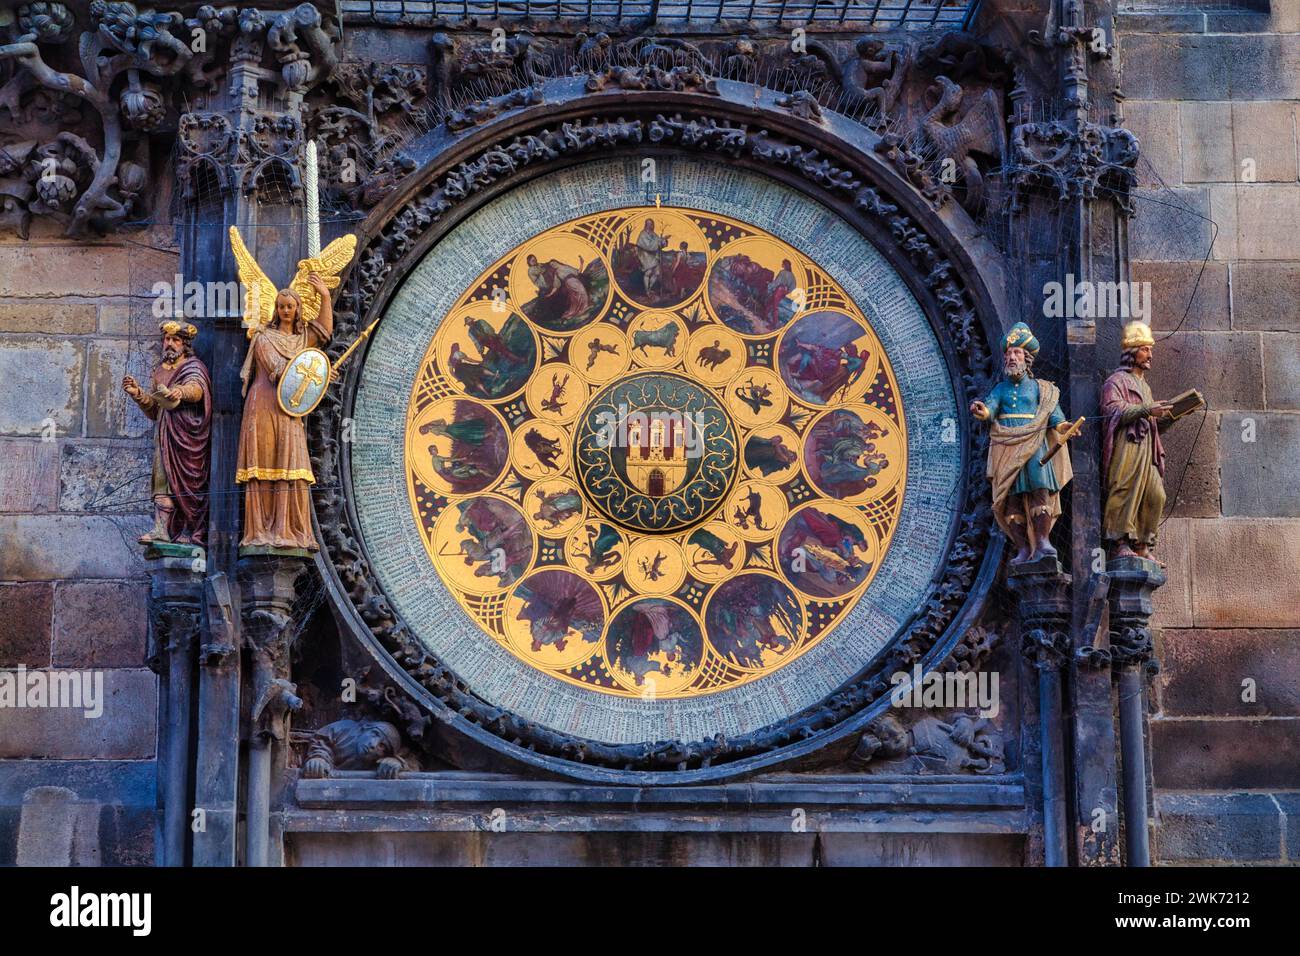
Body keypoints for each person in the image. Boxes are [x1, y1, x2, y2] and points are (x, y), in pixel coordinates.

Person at [235, 274, 332, 551]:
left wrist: (324, 296)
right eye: (281, 306)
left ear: (298, 308)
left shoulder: (303, 338)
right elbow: (278, 370)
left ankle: (293, 530)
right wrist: (316, 374)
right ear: (275, 310)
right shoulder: (265, 338)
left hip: (290, 409)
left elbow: (324, 330)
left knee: (294, 464)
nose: (285, 310)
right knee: (265, 464)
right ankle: (262, 531)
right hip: (265, 405)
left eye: (290, 306)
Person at [970, 322, 1075, 565]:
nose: (1010, 358)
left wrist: (1063, 428)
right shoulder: (1001, 389)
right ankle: (1023, 548)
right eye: (1007, 354)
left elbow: (1054, 415)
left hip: (1035, 445)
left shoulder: (1042, 389)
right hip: (1007, 446)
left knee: (1040, 492)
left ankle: (1042, 542)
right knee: (1011, 498)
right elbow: (990, 410)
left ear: (1027, 358)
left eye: (1016, 353)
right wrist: (981, 410)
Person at [122, 320, 211, 546]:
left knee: (188, 483)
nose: (170, 344)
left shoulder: (194, 366)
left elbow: (197, 389)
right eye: (167, 339)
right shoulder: (160, 371)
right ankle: (161, 529)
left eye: (176, 340)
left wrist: (178, 392)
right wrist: (138, 394)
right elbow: (154, 409)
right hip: (164, 433)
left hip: (187, 433)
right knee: (162, 481)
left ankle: (189, 531)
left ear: (185, 344)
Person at [1101, 321, 1181, 559]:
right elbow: (1111, 410)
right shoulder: (1116, 382)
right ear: (1132, 352)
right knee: (1125, 487)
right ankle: (1119, 542)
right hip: (1127, 446)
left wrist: (1172, 416)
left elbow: (1152, 420)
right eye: (1145, 349)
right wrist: (1146, 410)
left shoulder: (1144, 386)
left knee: (1156, 494)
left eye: (1150, 349)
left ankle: (1143, 544)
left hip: (1147, 448)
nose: (1150, 355)